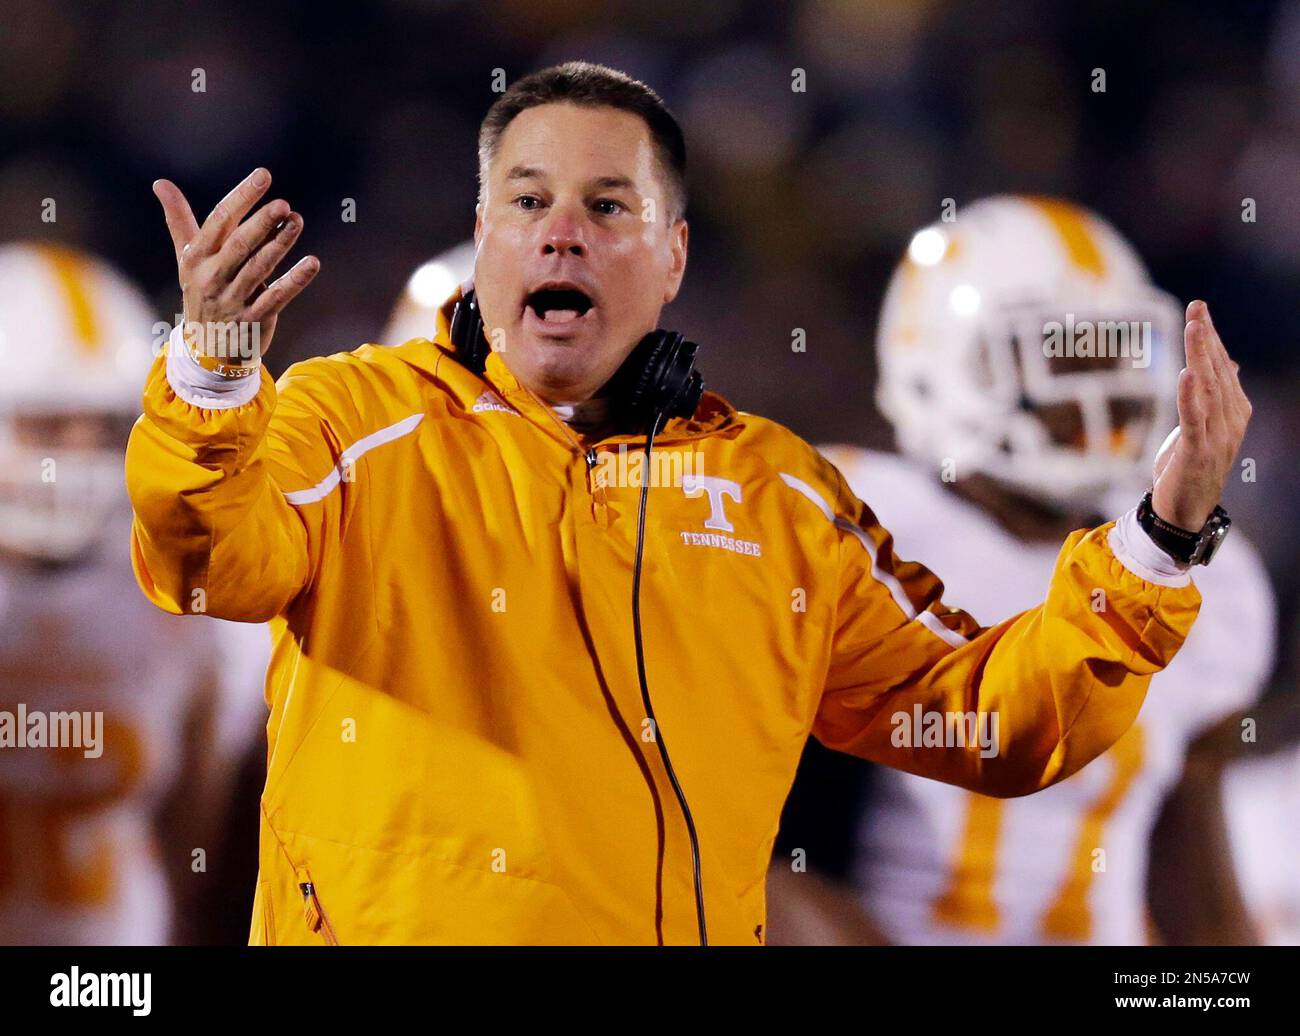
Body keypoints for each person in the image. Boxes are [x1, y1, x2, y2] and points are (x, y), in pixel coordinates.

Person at [130, 62, 1250, 945]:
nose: (562, 230)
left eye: (606, 205)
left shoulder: (774, 497)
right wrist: (212, 375)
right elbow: (201, 562)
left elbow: (991, 720)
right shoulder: (353, 421)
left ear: (670, 258)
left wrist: (1158, 542)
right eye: (528, 200)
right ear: (487, 240)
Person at [766, 197, 1276, 945]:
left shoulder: (1193, 568)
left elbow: (1188, 868)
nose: (1098, 393)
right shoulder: (858, 529)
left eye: (1114, 354)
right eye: (1062, 358)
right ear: (938, 363)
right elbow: (749, 855)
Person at [0, 242, 268, 945]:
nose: (78, 458)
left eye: (103, 429)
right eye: (48, 425)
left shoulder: (175, 592)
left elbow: (199, 850)